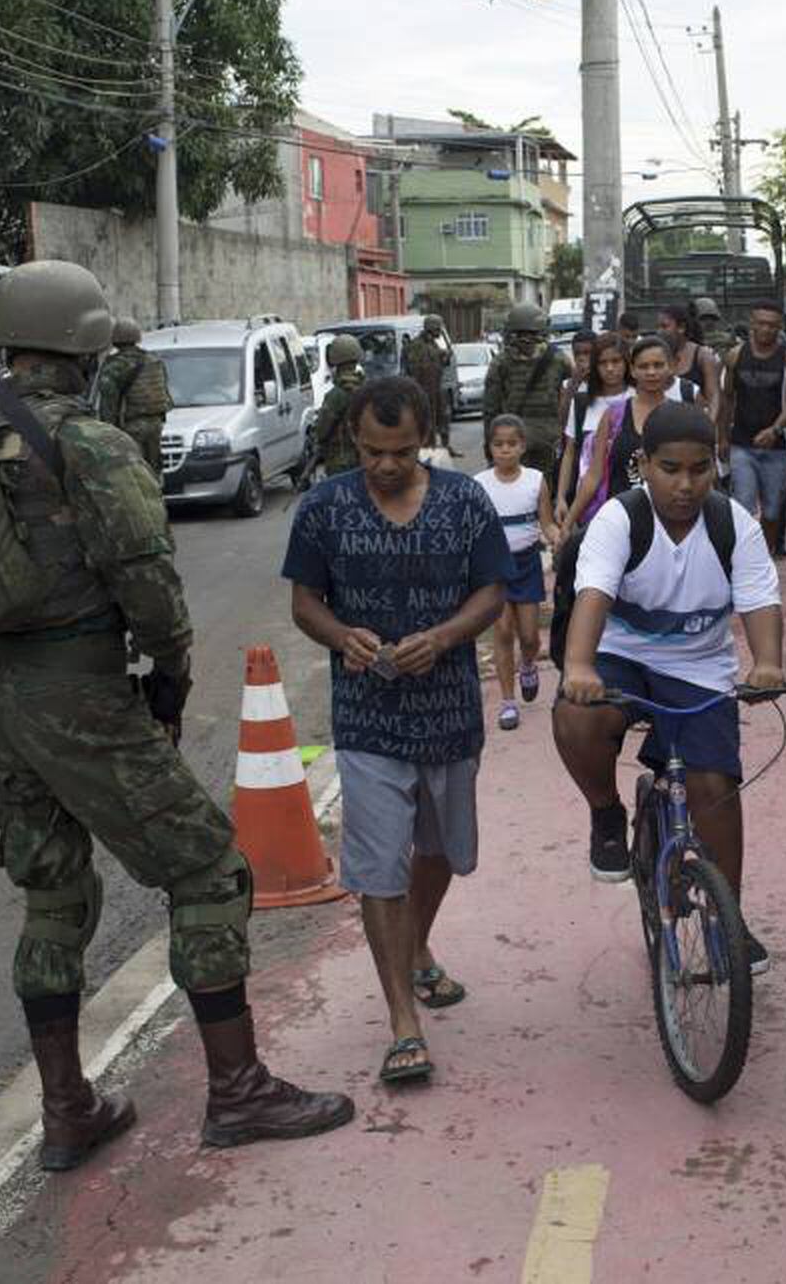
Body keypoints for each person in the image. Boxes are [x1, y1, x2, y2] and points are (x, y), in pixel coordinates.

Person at [0, 261, 352, 1168]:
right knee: (211, 871)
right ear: (88, 350)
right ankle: (240, 1092)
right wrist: (168, 680)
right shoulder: (90, 446)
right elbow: (150, 587)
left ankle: (68, 1110)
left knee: (53, 896)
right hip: (80, 696)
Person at [284, 375, 510, 1086]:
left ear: (426, 440)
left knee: (440, 850)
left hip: (448, 713)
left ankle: (417, 950)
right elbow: (304, 602)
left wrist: (443, 638)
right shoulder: (323, 509)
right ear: (354, 438)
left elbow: (493, 591)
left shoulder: (466, 502)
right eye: (374, 451)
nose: (386, 465)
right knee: (380, 865)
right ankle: (401, 1022)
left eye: (402, 451)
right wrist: (342, 635)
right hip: (366, 719)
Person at [551, 404, 785, 970]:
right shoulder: (618, 520)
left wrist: (768, 665)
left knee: (715, 790)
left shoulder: (735, 526)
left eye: (700, 469)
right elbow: (594, 597)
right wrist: (579, 668)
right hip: (621, 657)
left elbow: (758, 602)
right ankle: (607, 813)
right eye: (670, 468)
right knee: (577, 716)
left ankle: (729, 920)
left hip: (699, 668)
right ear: (642, 465)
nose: (685, 484)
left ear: (715, 468)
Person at [475, 414, 558, 731]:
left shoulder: (536, 480)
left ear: (523, 446)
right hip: (494, 568)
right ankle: (508, 702)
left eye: (511, 444)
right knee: (503, 631)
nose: (505, 450)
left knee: (529, 636)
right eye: (498, 444)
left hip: (526, 564)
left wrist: (557, 536)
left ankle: (528, 665)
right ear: (490, 448)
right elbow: (475, 528)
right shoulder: (480, 483)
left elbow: (546, 521)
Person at [716, 299, 786, 557]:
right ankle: (744, 557)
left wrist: (775, 430)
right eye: (761, 324)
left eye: (773, 326)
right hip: (741, 444)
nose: (766, 330)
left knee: (772, 510)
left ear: (780, 328)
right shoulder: (735, 355)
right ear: (751, 324)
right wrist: (722, 436)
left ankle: (765, 555)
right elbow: (727, 398)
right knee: (743, 506)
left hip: (776, 447)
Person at [562, 333, 675, 534]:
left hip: (668, 519)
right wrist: (569, 520)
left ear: (671, 367)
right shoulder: (612, 415)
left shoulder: (681, 415)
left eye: (658, 365)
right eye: (643, 366)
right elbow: (592, 474)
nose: (651, 372)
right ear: (634, 369)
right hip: (618, 518)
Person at [482, 302, 573, 488]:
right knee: (546, 489)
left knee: (514, 487)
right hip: (549, 436)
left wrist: (490, 444)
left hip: (513, 437)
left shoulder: (501, 362)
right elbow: (573, 392)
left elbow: (490, 408)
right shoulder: (557, 358)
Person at [559, 332, 633, 528]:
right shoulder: (582, 403)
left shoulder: (639, 399)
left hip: (630, 501)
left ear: (627, 362)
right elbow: (569, 452)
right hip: (588, 505)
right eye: (602, 363)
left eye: (616, 361)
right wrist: (560, 498)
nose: (610, 368)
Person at [94, 317, 172, 477]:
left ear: (115, 340)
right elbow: (164, 393)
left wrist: (108, 433)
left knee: (134, 472)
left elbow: (108, 402)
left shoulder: (115, 365)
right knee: (154, 471)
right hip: (156, 424)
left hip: (131, 426)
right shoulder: (153, 360)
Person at [308, 333, 367, 477]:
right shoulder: (367, 389)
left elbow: (322, 431)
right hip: (367, 459)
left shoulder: (336, 395)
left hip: (342, 465)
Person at [403, 314, 455, 453]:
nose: (440, 332)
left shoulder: (432, 344)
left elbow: (437, 360)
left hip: (436, 386)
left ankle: (445, 446)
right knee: (427, 420)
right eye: (438, 329)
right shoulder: (416, 346)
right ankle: (428, 448)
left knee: (443, 416)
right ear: (431, 329)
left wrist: (444, 356)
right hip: (423, 389)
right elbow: (415, 369)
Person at [655, 301, 719, 412]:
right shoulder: (655, 354)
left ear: (681, 328)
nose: (659, 331)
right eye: (658, 326)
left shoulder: (703, 356)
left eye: (664, 326)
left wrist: (710, 425)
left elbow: (713, 398)